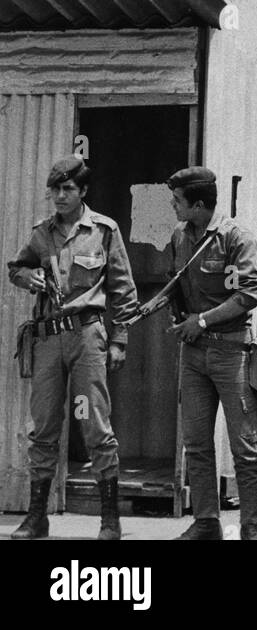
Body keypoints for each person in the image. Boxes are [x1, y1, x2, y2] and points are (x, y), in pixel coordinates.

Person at [7, 154, 138, 541]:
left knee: (95, 425)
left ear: (83, 191)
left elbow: (123, 290)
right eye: (55, 189)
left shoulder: (104, 230)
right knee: (43, 427)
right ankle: (37, 518)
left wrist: (119, 340)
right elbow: (15, 267)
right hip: (48, 339)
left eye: (67, 189)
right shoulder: (41, 232)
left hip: (87, 338)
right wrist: (28, 276)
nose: (59, 196)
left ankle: (109, 520)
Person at [167, 166, 257, 541]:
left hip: (232, 351)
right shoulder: (180, 236)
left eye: (177, 201)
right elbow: (174, 281)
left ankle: (251, 525)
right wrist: (172, 312)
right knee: (196, 442)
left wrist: (203, 321)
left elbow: (251, 293)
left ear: (197, 204)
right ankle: (207, 522)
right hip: (192, 355)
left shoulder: (235, 237)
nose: (172, 207)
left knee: (244, 445)